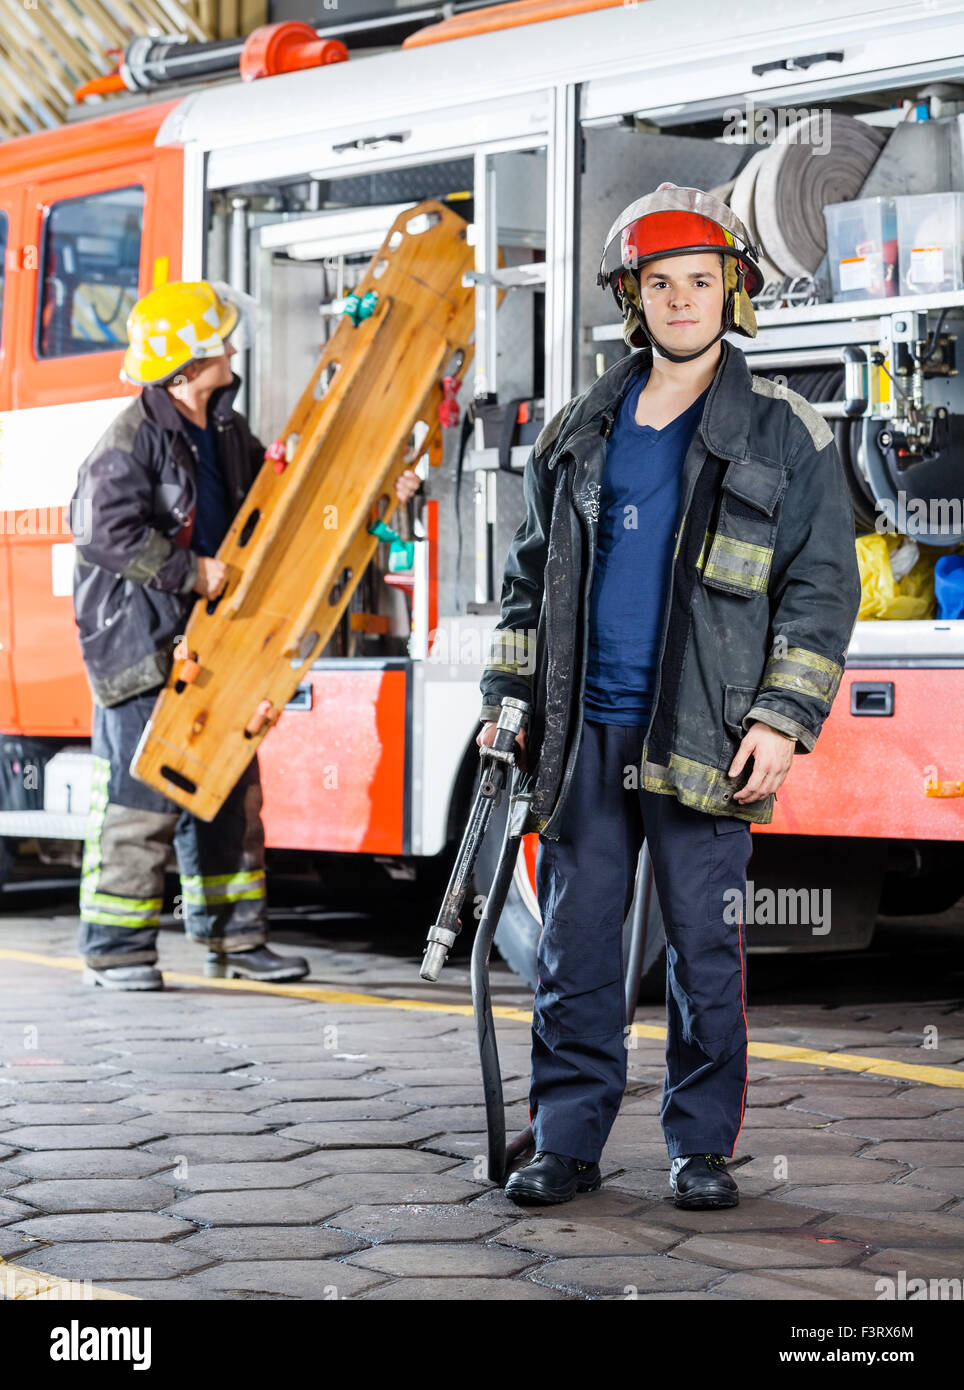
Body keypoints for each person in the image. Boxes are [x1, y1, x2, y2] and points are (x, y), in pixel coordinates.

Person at [477, 184, 862, 1209]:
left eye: (700, 281)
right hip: (584, 734)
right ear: (630, 298)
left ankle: (699, 1146)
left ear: (729, 291)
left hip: (708, 732)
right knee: (574, 946)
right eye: (660, 283)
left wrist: (783, 717)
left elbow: (822, 588)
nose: (682, 300)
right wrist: (508, 695)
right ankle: (565, 1140)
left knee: (702, 948)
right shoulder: (581, 428)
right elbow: (527, 579)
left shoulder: (786, 431)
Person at [71, 279, 421, 991]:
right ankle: (114, 948)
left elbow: (279, 505)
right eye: (217, 340)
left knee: (230, 791)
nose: (231, 347)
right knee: (144, 801)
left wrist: (384, 489)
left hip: (214, 642)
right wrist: (190, 574)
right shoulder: (132, 438)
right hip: (143, 644)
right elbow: (101, 534)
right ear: (188, 361)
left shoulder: (223, 430)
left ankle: (235, 939)